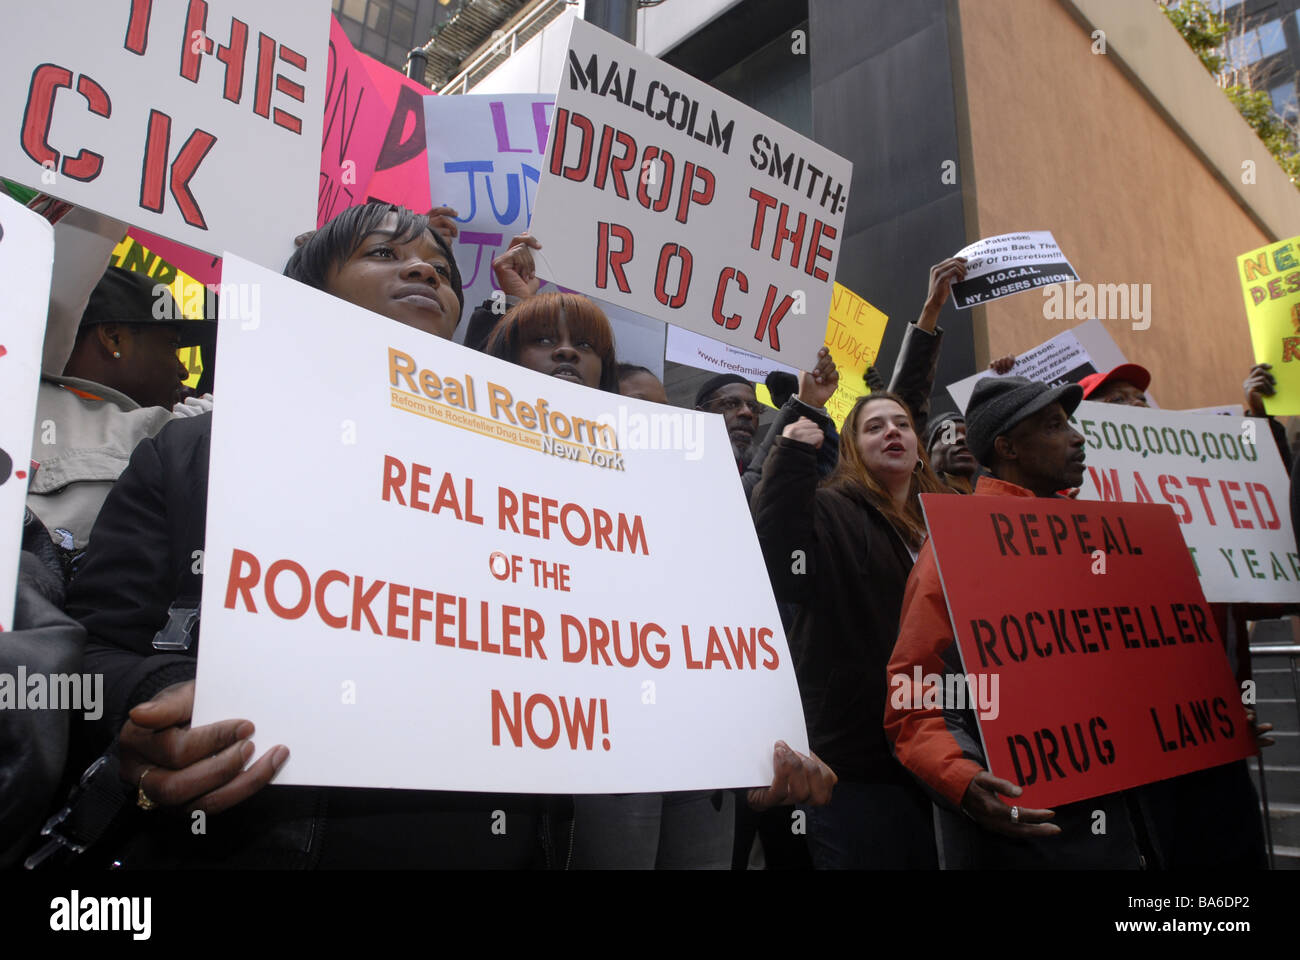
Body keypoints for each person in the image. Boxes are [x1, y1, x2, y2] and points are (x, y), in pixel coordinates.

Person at [66, 202, 568, 869]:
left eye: (442, 269)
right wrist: (158, 697)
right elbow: (92, 651)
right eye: (383, 254)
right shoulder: (192, 454)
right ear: (311, 295)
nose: (425, 267)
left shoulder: (531, 483)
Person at [885, 376, 1267, 868]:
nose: (1077, 437)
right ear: (1008, 448)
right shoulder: (954, 552)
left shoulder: (1104, 537)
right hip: (1048, 843)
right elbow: (915, 697)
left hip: (1147, 831)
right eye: (1053, 426)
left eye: (1068, 422)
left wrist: (1210, 723)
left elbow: (1149, 657)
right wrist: (963, 780)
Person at [752, 391, 949, 869]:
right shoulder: (832, 508)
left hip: (943, 752)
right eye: (874, 426)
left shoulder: (945, 519)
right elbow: (782, 564)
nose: (892, 432)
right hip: (858, 762)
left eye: (902, 424)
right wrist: (794, 451)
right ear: (853, 450)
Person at [27, 267, 212, 561]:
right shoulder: (14, 400)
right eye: (172, 345)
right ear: (114, 338)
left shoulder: (183, 428)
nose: (183, 369)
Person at [924, 412, 977, 494]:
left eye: (969, 436)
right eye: (948, 435)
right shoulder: (913, 499)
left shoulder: (992, 501)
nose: (962, 438)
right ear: (928, 454)